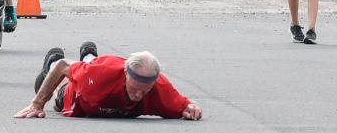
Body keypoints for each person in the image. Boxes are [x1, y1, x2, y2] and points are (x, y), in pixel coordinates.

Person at [15, 43, 202, 120]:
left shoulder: (160, 87)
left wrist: (192, 108)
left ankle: (88, 56)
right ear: (126, 75)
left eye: (145, 91)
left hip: (95, 72)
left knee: (90, 70)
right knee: (60, 97)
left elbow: (187, 106)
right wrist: (37, 103)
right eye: (135, 89)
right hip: (85, 91)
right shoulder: (100, 75)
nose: (138, 96)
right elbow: (64, 66)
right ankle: (52, 60)